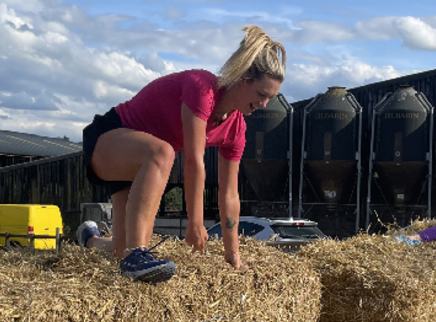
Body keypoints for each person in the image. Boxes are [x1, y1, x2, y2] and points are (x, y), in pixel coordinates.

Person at [77, 26, 286, 282]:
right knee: (163, 153)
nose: (264, 104)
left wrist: (232, 255)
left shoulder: (237, 128)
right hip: (112, 138)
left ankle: (90, 239)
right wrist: (195, 223)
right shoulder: (202, 89)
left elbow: (230, 193)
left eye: (270, 98)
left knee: (120, 248)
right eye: (262, 94)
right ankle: (136, 255)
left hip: (143, 166)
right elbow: (193, 161)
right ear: (243, 78)